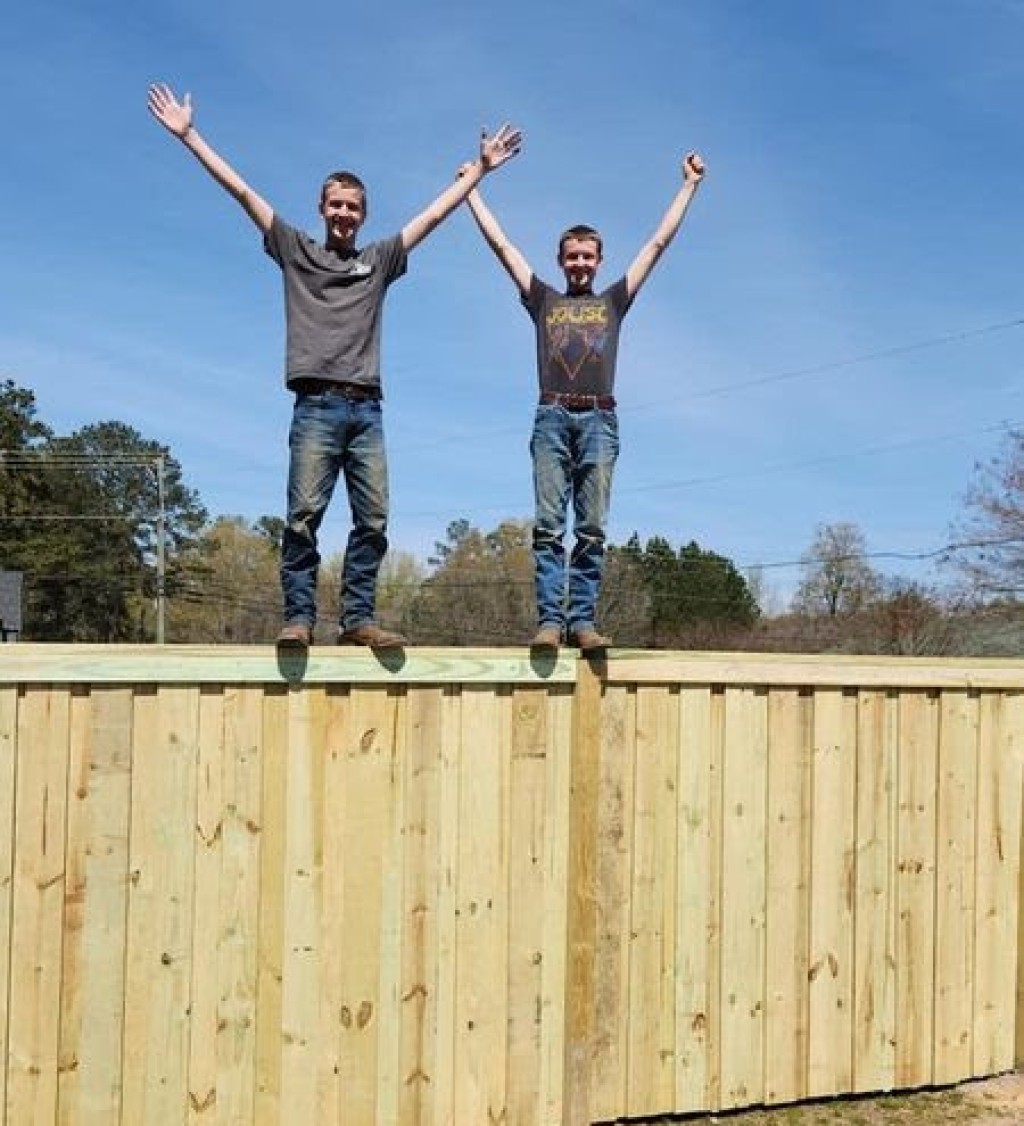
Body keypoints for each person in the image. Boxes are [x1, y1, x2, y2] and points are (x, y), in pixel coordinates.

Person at [147, 83, 522, 649]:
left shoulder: (378, 260)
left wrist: (480, 175)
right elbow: (243, 192)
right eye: (336, 204)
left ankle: (357, 620)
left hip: (367, 409)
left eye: (354, 207)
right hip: (316, 407)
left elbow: (431, 217)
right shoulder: (296, 251)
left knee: (372, 522)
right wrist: (190, 136)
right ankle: (298, 619)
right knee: (303, 518)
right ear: (322, 209)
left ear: (363, 215)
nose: (344, 213)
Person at [462, 151, 705, 651]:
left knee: (591, 527)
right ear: (560, 261)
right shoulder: (544, 301)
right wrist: (471, 190)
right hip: (551, 416)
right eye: (571, 257)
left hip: (599, 419)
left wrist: (688, 186)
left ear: (599, 261)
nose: (578, 264)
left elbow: (657, 244)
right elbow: (502, 246)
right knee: (550, 526)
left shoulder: (613, 302)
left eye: (587, 257)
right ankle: (550, 622)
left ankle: (582, 623)